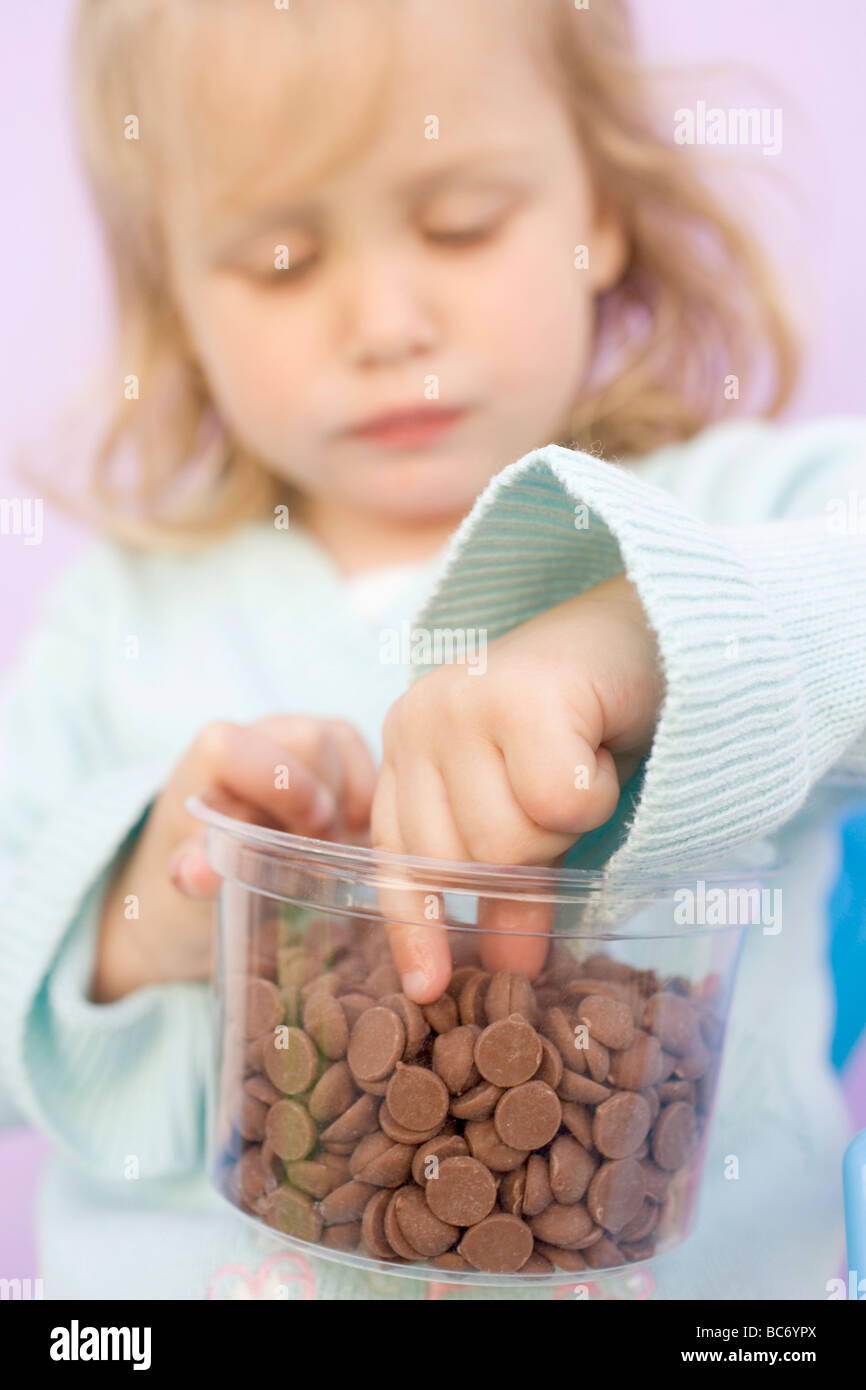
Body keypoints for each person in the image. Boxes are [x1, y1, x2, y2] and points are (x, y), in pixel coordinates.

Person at [1, 0, 864, 1301]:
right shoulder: (117, 622)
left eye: (461, 223)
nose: (387, 320)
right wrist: (133, 912)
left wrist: (650, 633)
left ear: (599, 210)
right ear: (175, 294)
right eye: (284, 259)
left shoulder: (745, 512)